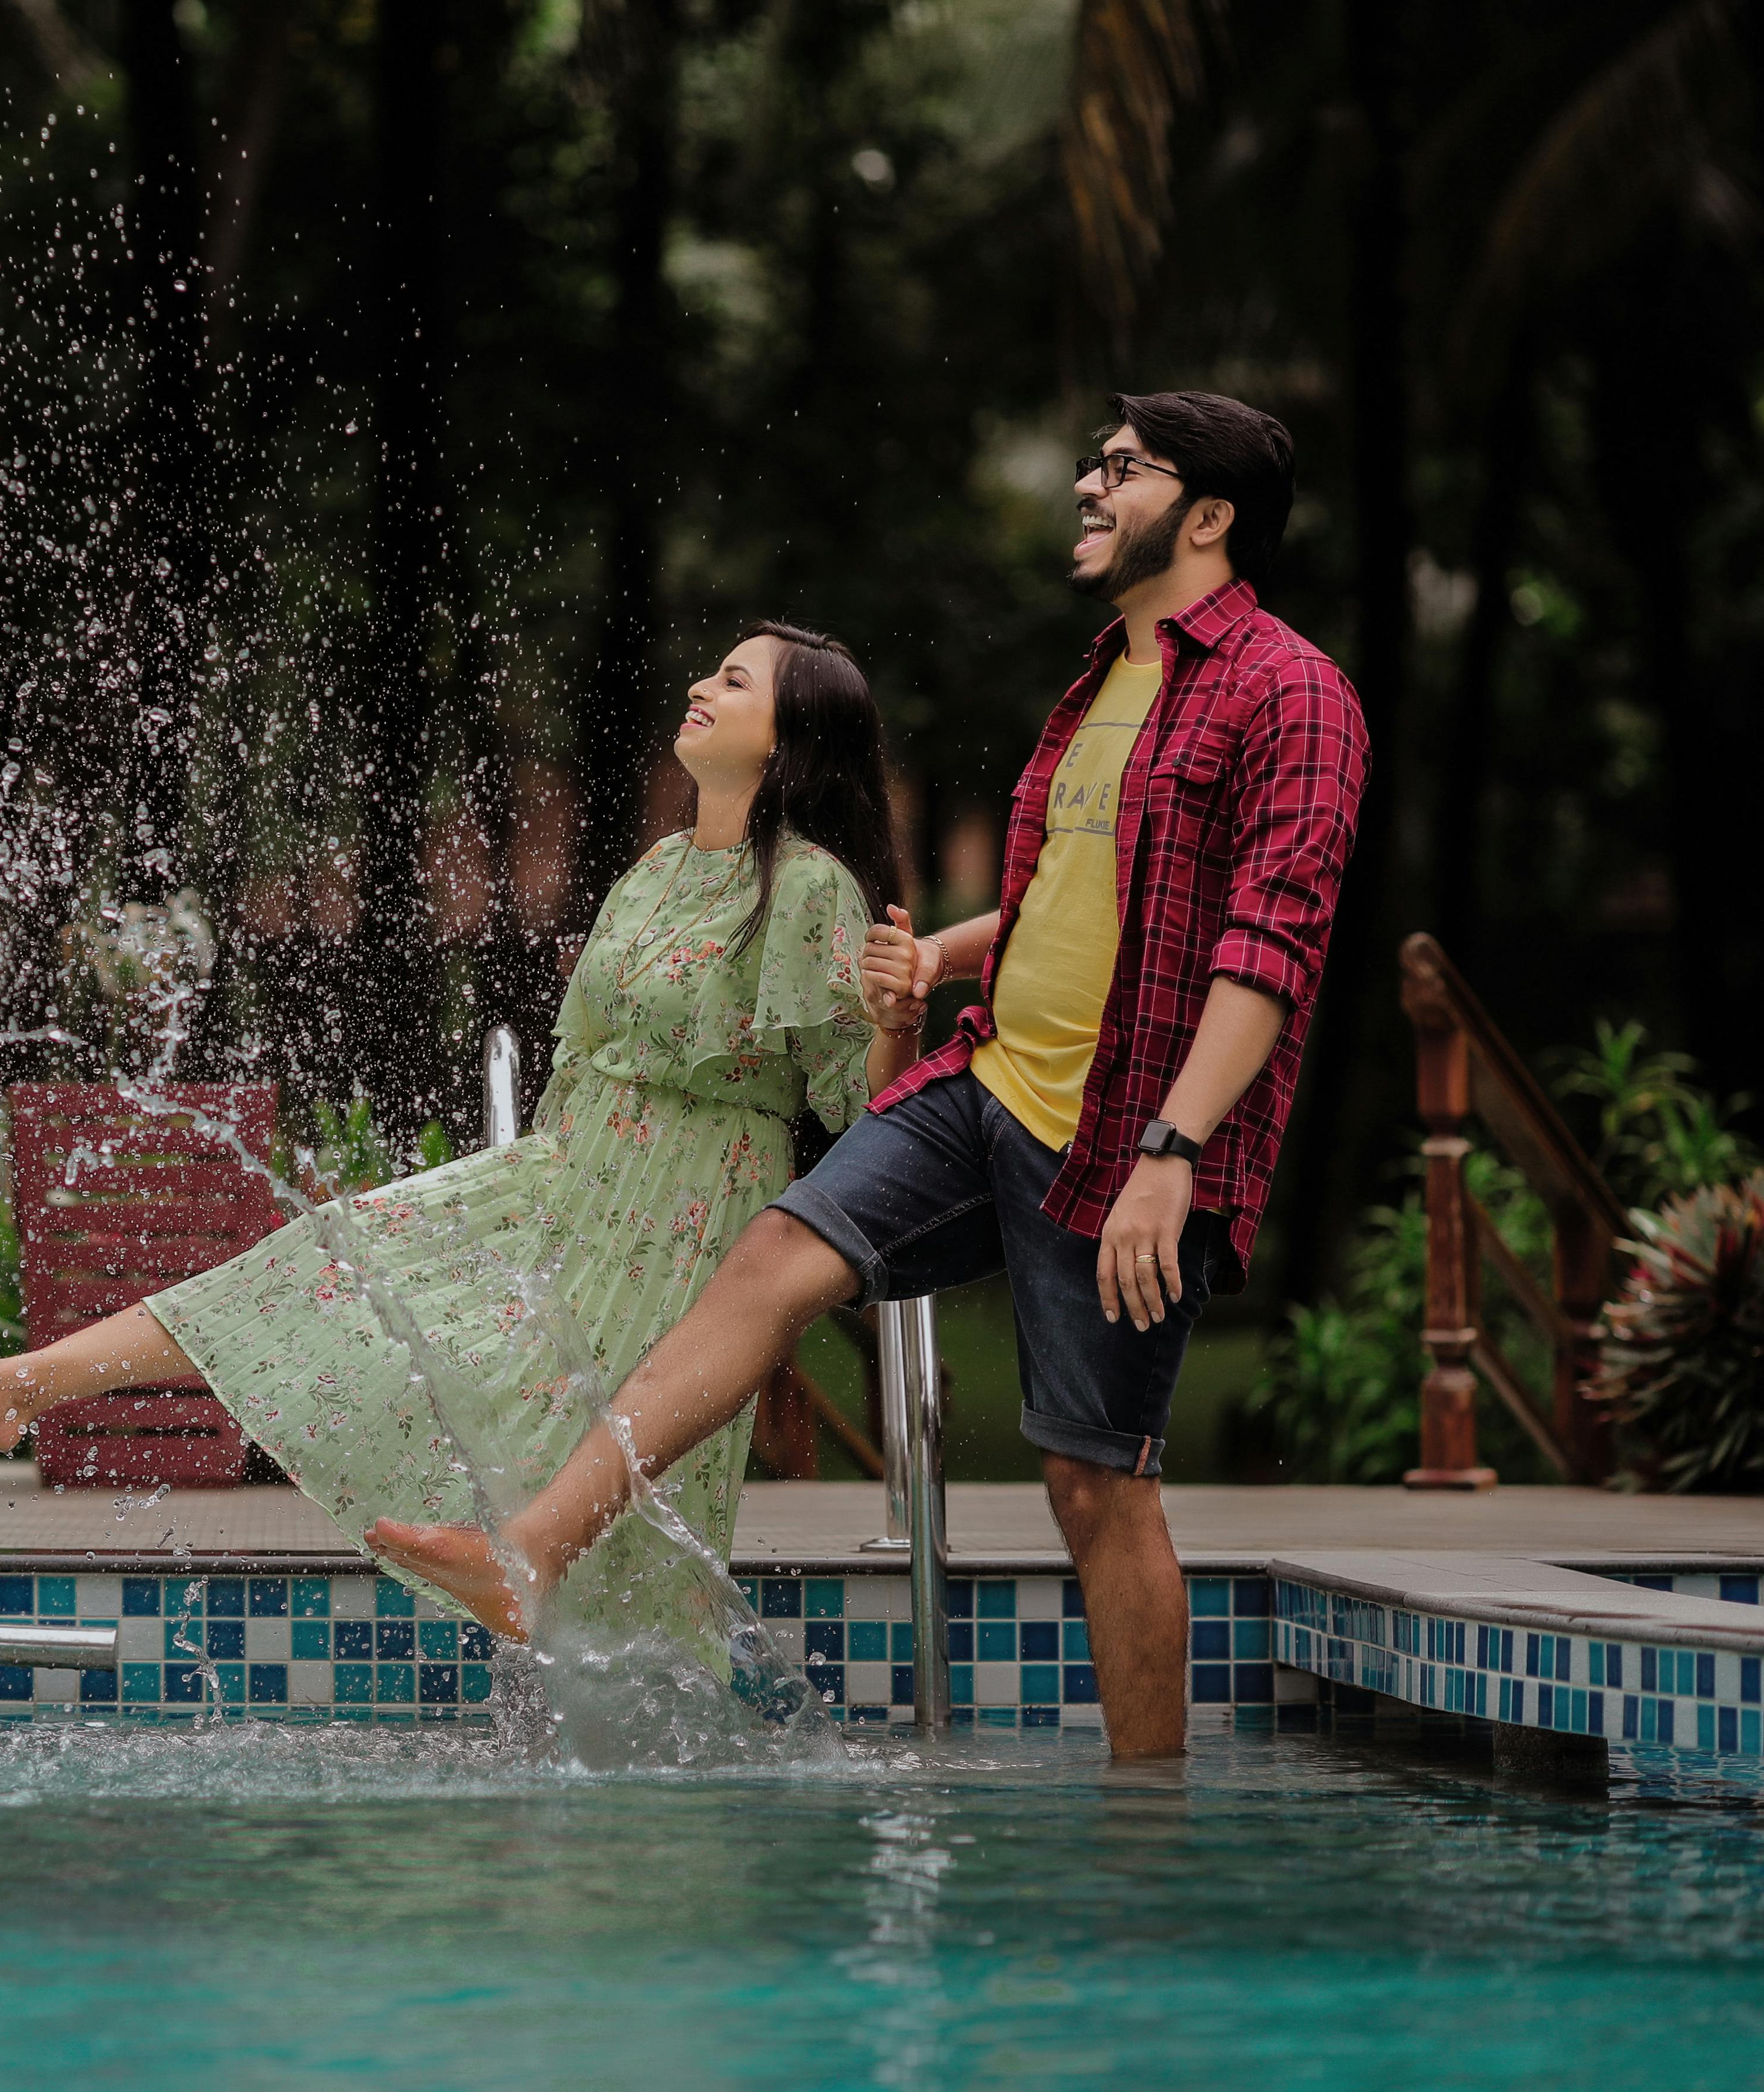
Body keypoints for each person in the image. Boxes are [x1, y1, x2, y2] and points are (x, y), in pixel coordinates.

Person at [373, 391, 1369, 1759]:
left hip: (1134, 1136)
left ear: (1208, 518)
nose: (1090, 483)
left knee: (1096, 1487)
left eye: (1123, 470)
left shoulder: (1291, 689)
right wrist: (944, 956)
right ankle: (531, 1552)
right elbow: (1077, 898)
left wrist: (1174, 1150)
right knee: (774, 1256)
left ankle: (1152, 1827)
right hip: (993, 1084)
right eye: (1092, 459)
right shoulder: (1102, 680)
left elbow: (1269, 951)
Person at [0, 623, 909, 1622]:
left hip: (683, 1204)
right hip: (565, 1170)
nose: (704, 686)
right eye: (713, 671)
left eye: (736, 682)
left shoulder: (811, 886)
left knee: (593, 1456)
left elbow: (854, 1104)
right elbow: (582, 1048)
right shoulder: (659, 867)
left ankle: (628, 1711)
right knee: (322, 1264)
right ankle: (17, 1385)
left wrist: (893, 1024)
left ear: (786, 738)